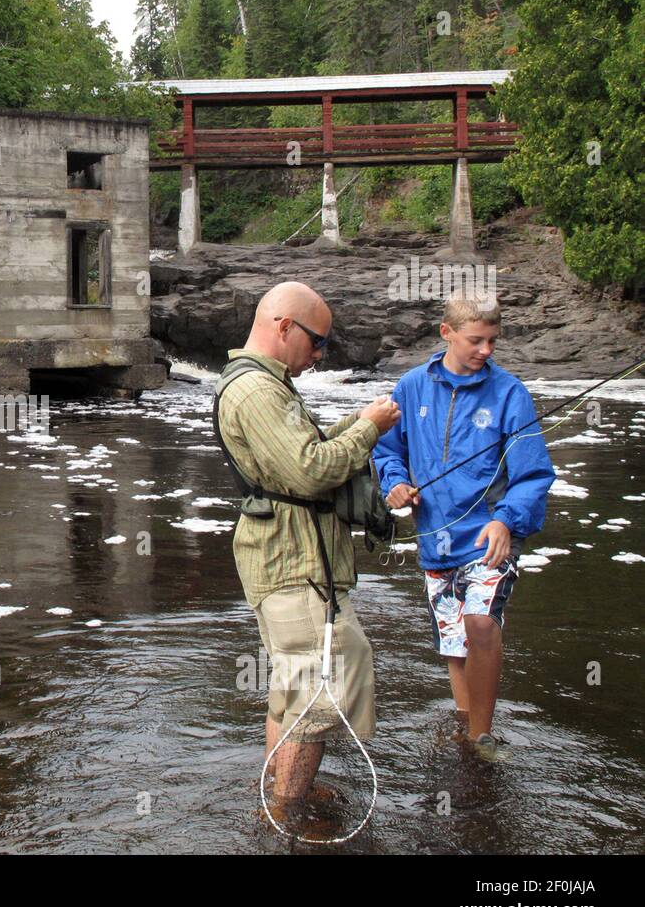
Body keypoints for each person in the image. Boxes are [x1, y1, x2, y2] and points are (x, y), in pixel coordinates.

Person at [215, 282, 401, 804]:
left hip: (293, 561)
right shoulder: (255, 391)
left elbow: (304, 452)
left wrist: (359, 423)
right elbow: (311, 471)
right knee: (322, 690)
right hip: (291, 565)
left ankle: (283, 792)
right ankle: (286, 811)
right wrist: (367, 428)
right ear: (283, 327)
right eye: (317, 341)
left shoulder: (268, 386)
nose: (320, 354)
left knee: (292, 688)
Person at [373, 287, 555, 760]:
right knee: (455, 644)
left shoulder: (511, 394)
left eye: (493, 340)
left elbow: (533, 473)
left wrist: (507, 522)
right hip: (435, 540)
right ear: (446, 333)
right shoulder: (411, 387)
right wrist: (395, 484)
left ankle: (481, 736)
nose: (487, 350)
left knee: (479, 624)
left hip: (490, 538)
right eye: (476, 340)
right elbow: (388, 450)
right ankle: (464, 729)